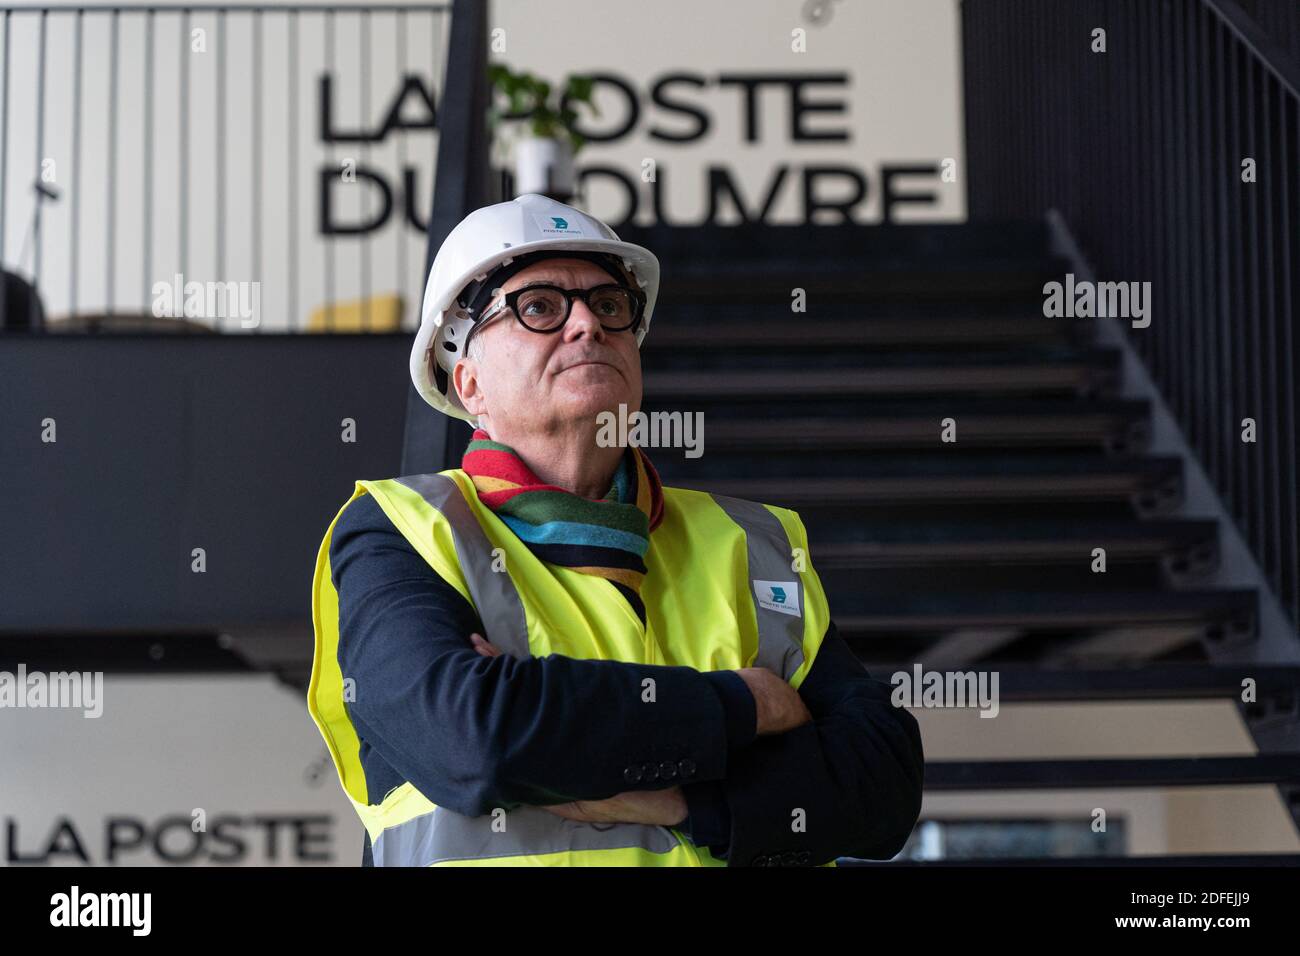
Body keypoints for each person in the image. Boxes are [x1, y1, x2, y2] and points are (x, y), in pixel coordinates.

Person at [307, 192, 924, 866]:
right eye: (538, 305)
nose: (587, 325)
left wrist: (687, 803)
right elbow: (477, 741)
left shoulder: (752, 543)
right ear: (470, 383)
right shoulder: (403, 530)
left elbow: (884, 785)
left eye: (609, 305)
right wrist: (751, 703)